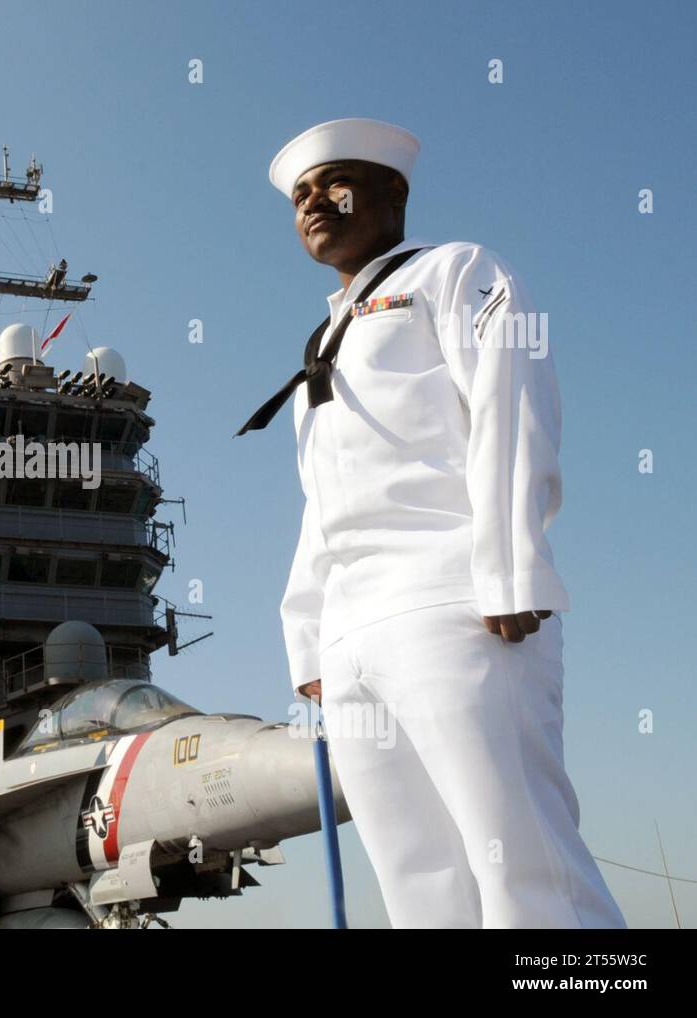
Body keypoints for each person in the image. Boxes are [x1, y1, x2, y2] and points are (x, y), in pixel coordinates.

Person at [238, 118, 626, 928]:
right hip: (354, 638)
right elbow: (328, 496)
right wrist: (308, 635)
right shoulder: (325, 334)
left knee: (524, 867)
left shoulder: (457, 271)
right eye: (300, 195)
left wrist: (511, 566)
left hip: (453, 602)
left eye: (332, 183)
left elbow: (509, 402)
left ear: (392, 191)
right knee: (419, 885)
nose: (313, 203)